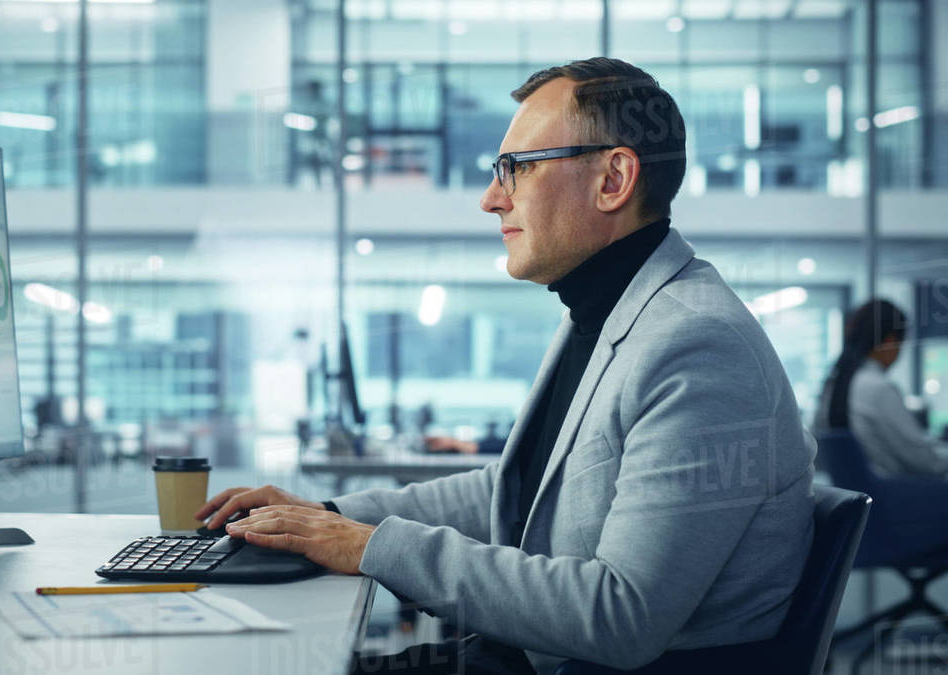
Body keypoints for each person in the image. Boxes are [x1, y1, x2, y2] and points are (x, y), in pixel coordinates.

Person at [197, 58, 815, 673]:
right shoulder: (605, 315)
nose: (492, 199)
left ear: (613, 179)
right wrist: (327, 520)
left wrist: (370, 547)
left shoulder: (697, 344)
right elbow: (515, 493)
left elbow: (621, 615)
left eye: (515, 169)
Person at [817, 299, 948, 476]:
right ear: (890, 341)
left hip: (855, 495)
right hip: (899, 496)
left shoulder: (833, 385)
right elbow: (924, 460)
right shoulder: (877, 388)